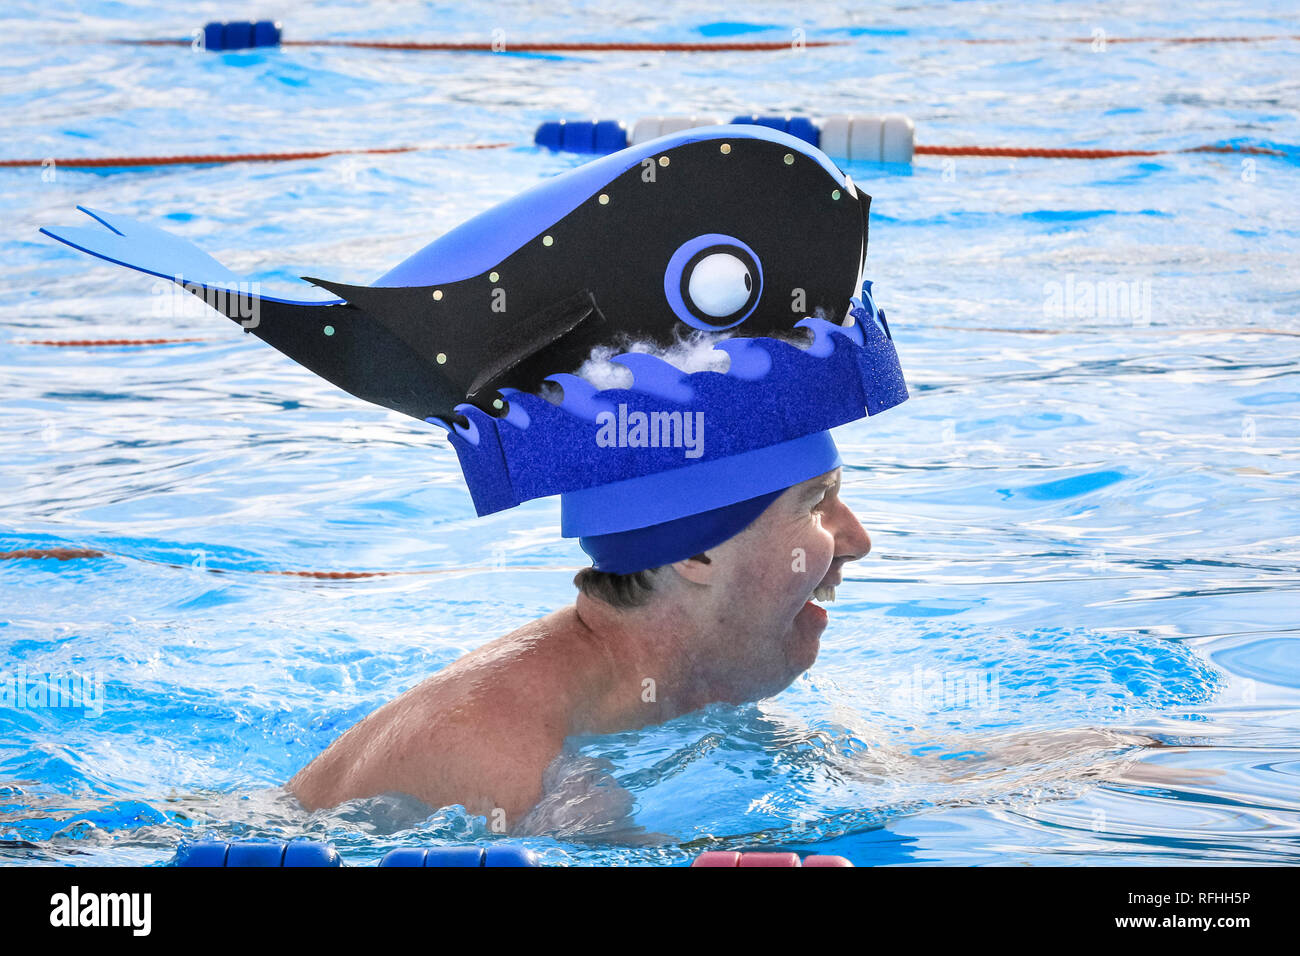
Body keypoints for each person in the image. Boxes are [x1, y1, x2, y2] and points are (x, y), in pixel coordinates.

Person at [288, 462, 871, 827]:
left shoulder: (691, 690)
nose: (859, 540)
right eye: (817, 502)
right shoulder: (504, 759)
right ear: (695, 553)